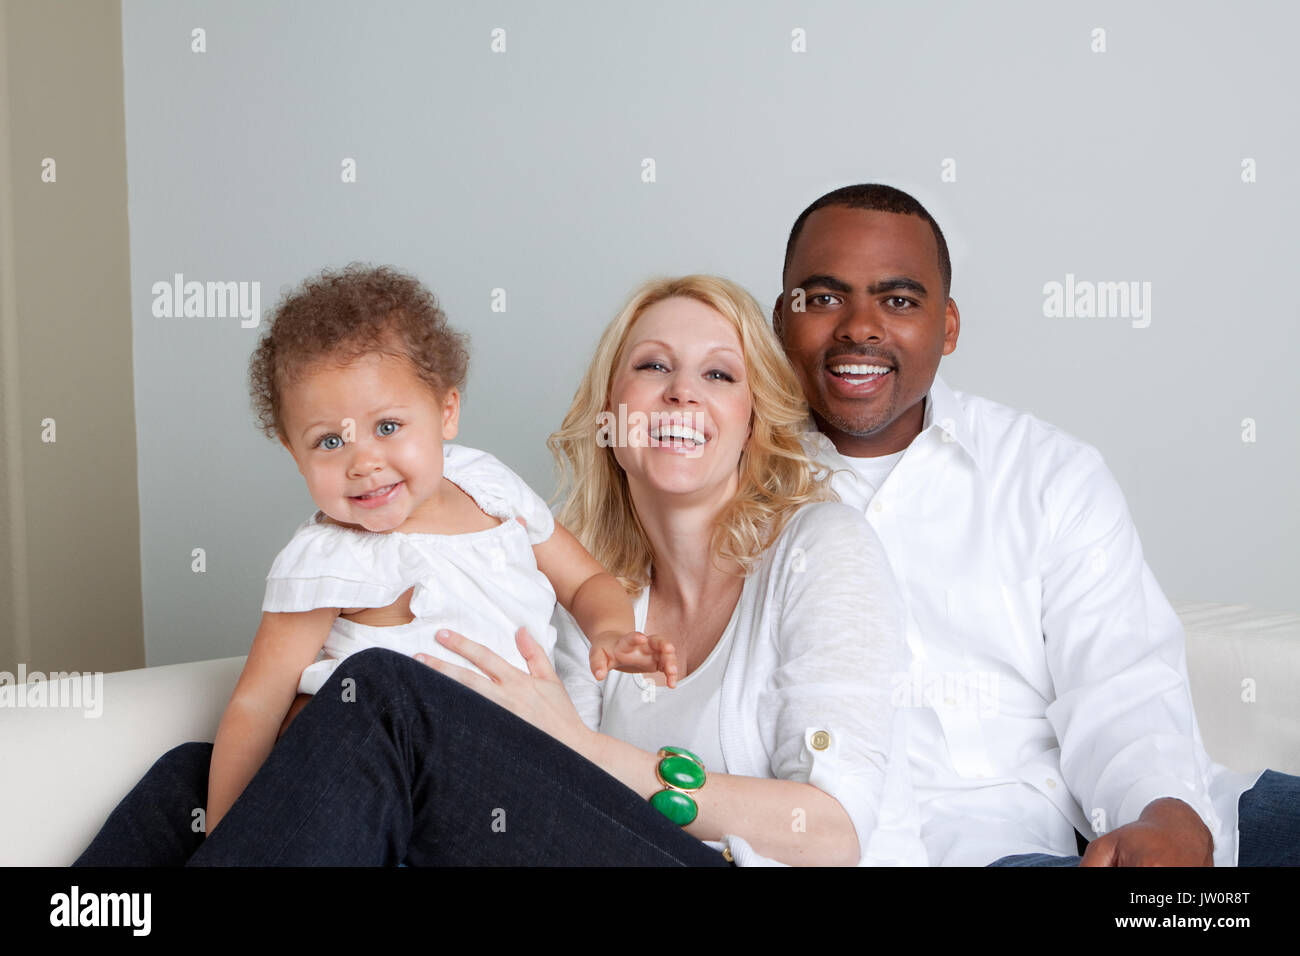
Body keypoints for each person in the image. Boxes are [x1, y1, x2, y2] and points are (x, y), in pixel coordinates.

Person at [74, 273, 926, 867]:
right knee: (201, 775)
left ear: (755, 416)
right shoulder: (599, 591)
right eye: (652, 365)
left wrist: (590, 754)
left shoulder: (821, 547)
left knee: (380, 695)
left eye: (718, 373)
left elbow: (833, 833)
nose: (679, 393)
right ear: (609, 412)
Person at [772, 182, 1299, 866]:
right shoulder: (728, 488)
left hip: (1094, 815)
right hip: (943, 848)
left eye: (899, 299)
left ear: (949, 326)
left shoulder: (1049, 473)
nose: (859, 326)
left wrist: (1167, 816)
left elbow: (1121, 683)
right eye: (824, 297)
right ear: (780, 320)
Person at [205, 264, 676, 833]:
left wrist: (609, 633)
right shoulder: (328, 557)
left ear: (446, 412)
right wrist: (225, 836)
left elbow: (585, 582)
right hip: (380, 792)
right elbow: (257, 704)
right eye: (330, 441)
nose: (364, 462)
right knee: (176, 784)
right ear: (291, 450)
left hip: (505, 775)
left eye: (388, 427)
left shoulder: (490, 488)